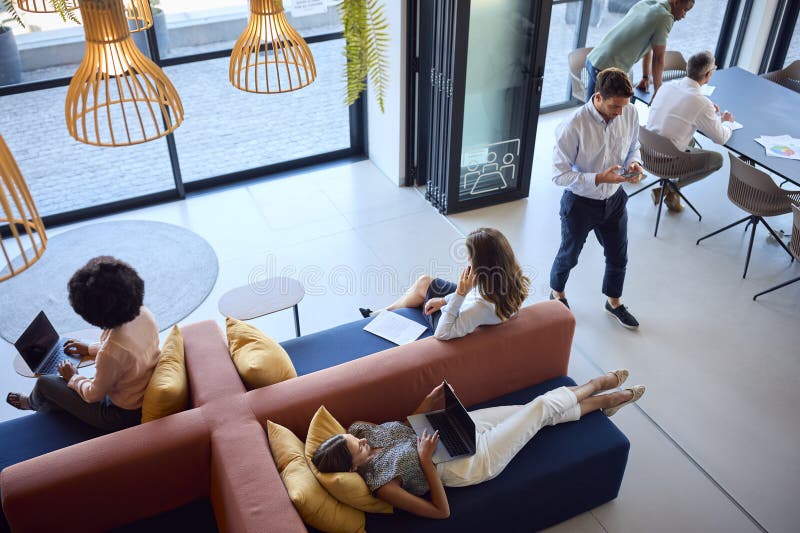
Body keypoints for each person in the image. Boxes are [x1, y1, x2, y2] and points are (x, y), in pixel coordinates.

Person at [311, 372, 645, 519]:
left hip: (445, 431)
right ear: (353, 468)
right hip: (462, 466)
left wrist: (429, 401)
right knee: (540, 408)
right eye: (360, 448)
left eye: (357, 438)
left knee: (532, 412)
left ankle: (603, 404)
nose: (364, 440)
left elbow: (405, 427)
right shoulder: (380, 484)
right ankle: (601, 387)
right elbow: (441, 513)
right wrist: (426, 462)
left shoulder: (358, 429)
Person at [6, 256, 161, 431]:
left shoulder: (111, 354)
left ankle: (31, 403)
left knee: (45, 383)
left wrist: (73, 376)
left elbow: (93, 394)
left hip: (118, 414)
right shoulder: (144, 314)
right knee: (60, 390)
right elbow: (126, 351)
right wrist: (88, 348)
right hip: (138, 384)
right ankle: (47, 405)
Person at [550, 67, 643, 330]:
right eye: (615, 106)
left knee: (618, 255)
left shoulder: (629, 111)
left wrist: (634, 164)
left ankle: (613, 302)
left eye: (624, 106)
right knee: (569, 255)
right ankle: (557, 294)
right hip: (580, 203)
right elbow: (559, 176)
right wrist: (599, 178)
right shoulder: (573, 125)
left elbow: (634, 146)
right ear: (598, 97)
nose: (620, 113)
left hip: (615, 200)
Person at [359, 227, 529, 341]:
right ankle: (382, 312)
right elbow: (473, 295)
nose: (468, 258)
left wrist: (459, 295)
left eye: (471, 255)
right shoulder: (505, 278)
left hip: (452, 318)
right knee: (425, 281)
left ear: (483, 262)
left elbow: (442, 333)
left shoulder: (481, 306)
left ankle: (380, 315)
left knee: (421, 292)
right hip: (466, 301)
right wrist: (443, 300)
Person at [645, 50, 734, 212]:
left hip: (645, 152)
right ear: (709, 74)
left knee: (690, 139)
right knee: (716, 160)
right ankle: (670, 189)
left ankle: (672, 197)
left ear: (687, 68)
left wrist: (705, 107)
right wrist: (727, 123)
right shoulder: (701, 102)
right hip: (665, 162)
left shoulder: (667, 86)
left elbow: (682, 108)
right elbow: (721, 138)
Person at [585, 0, 695, 100]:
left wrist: (645, 77)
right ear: (676, 2)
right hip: (607, 69)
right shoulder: (665, 17)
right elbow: (658, 58)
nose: (684, 15)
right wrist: (658, 91)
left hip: (594, 60)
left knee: (590, 112)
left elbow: (649, 47)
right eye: (685, 10)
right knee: (616, 112)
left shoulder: (646, 3)